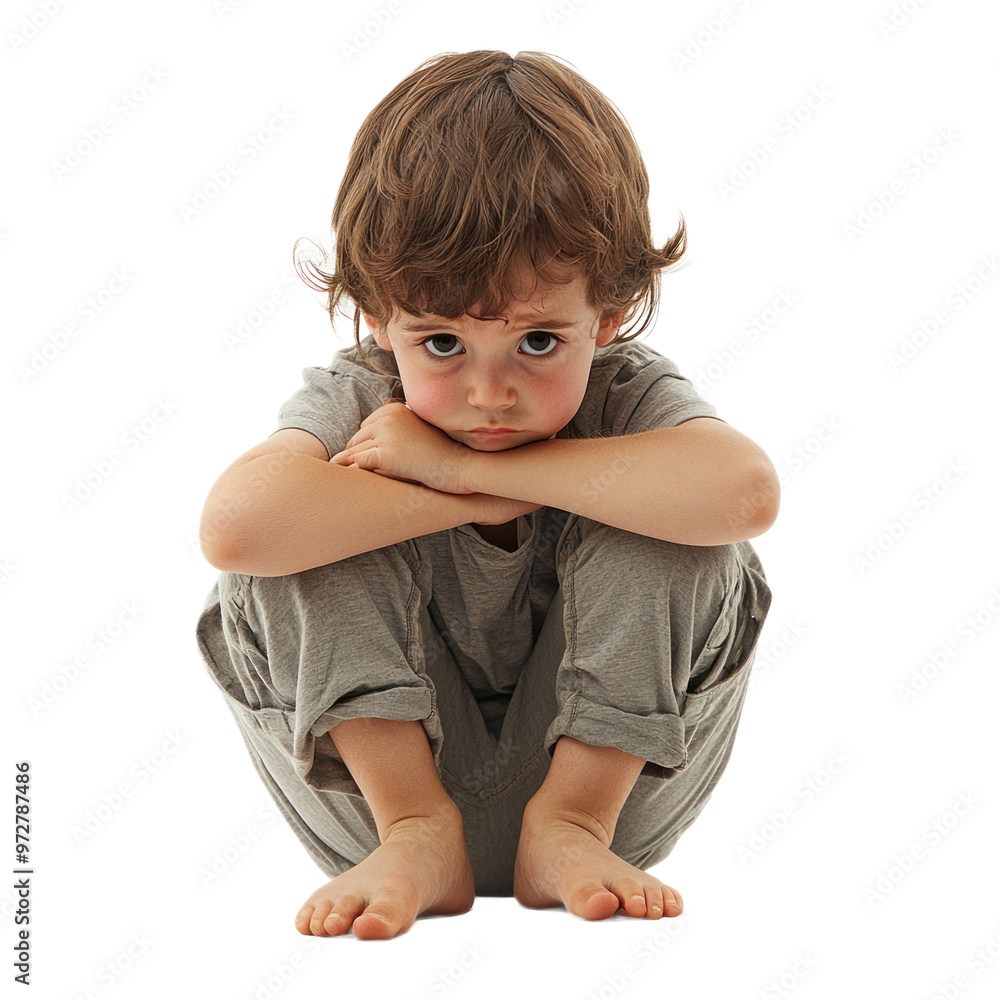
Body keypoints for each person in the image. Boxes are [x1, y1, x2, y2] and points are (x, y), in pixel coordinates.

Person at [194, 49, 779, 941]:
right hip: (372, 811)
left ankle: (569, 820)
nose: (489, 391)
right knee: (299, 528)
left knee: (679, 514)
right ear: (376, 318)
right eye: (439, 344)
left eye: (540, 342)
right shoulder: (360, 399)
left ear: (609, 315)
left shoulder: (627, 398)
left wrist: (469, 473)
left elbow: (742, 493)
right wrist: (453, 500)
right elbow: (236, 527)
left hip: (618, 808)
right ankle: (419, 827)